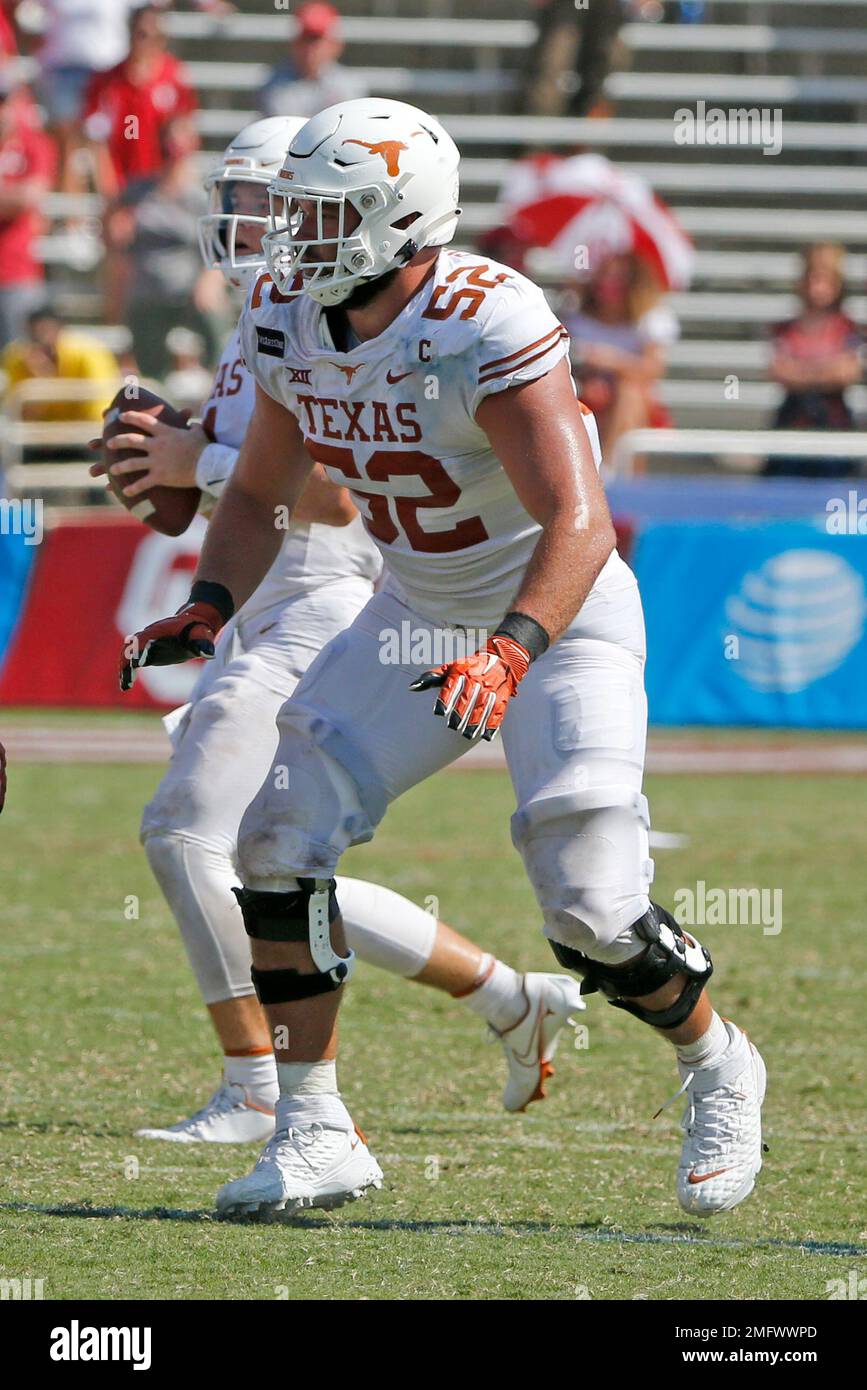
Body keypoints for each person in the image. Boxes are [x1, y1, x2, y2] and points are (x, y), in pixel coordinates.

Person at [121, 98, 767, 1220]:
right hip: (413, 607)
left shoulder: (484, 319)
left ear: (398, 221)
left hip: (554, 617)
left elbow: (580, 520)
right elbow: (263, 491)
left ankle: (718, 1061)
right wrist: (209, 605)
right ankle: (315, 1129)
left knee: (593, 911)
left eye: (324, 215)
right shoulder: (290, 312)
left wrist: (514, 652)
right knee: (276, 833)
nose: (293, 236)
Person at [92, 116, 584, 1146]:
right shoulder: (271, 312)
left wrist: (198, 463)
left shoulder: (339, 316)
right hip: (264, 606)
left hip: (322, 600)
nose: (262, 225)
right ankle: (506, 995)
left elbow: (327, 496)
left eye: (282, 204)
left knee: (191, 831)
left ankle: (264, 1085)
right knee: (265, 854)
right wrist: (165, 453)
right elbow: (230, 476)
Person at [104, 116, 224, 374]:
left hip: (190, 291)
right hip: (147, 291)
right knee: (149, 362)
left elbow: (219, 246)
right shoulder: (138, 192)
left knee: (216, 321)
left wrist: (208, 281)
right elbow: (114, 236)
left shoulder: (204, 194)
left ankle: (219, 377)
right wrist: (116, 231)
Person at [564, 250, 676, 462]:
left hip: (634, 400)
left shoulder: (649, 319)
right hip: (586, 390)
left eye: (618, 278)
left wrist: (612, 361)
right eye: (605, 275)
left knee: (629, 392)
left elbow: (652, 370)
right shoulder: (577, 319)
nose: (609, 283)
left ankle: (613, 466)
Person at [80, 3, 196, 200]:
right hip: (121, 182)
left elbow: (184, 136)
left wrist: (172, 186)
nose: (147, 43)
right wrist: (112, 195)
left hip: (160, 184)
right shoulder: (108, 82)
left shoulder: (173, 77)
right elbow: (96, 141)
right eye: (141, 34)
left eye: (156, 36)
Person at [766, 242, 863, 478]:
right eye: (813, 278)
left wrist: (803, 371)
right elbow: (780, 371)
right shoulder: (786, 328)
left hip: (834, 425)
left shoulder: (849, 328)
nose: (817, 288)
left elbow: (847, 373)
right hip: (792, 424)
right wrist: (824, 370)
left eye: (825, 280)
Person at [0, 67, 54, 349]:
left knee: (17, 363)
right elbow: (20, 197)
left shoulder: (32, 144)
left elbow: (32, 196)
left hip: (16, 273)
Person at [2, 306, 119, 421]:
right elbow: (17, 419)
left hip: (85, 434)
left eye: (47, 330)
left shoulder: (89, 353)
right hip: (40, 436)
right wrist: (42, 380)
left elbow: (98, 410)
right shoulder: (16, 358)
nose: (43, 338)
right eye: (36, 334)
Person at [258, 3, 365, 120]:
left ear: (335, 45)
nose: (310, 48)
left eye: (317, 40)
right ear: (294, 44)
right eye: (305, 40)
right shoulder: (274, 85)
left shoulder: (349, 85)